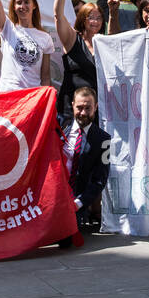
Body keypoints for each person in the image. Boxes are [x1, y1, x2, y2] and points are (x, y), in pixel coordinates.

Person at [53, 0, 116, 119]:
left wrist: (113, 13)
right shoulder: (73, 39)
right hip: (70, 112)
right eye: (90, 17)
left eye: (98, 18)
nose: (95, 21)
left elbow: (115, 36)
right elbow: (58, 15)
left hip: (97, 113)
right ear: (82, 19)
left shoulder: (103, 43)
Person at [62, 87, 111, 233]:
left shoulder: (103, 140)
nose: (83, 113)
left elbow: (99, 181)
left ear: (95, 107)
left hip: (75, 201)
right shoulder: (59, 126)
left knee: (66, 235)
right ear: (72, 105)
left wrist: (78, 203)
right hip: (53, 194)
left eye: (88, 108)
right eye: (79, 108)